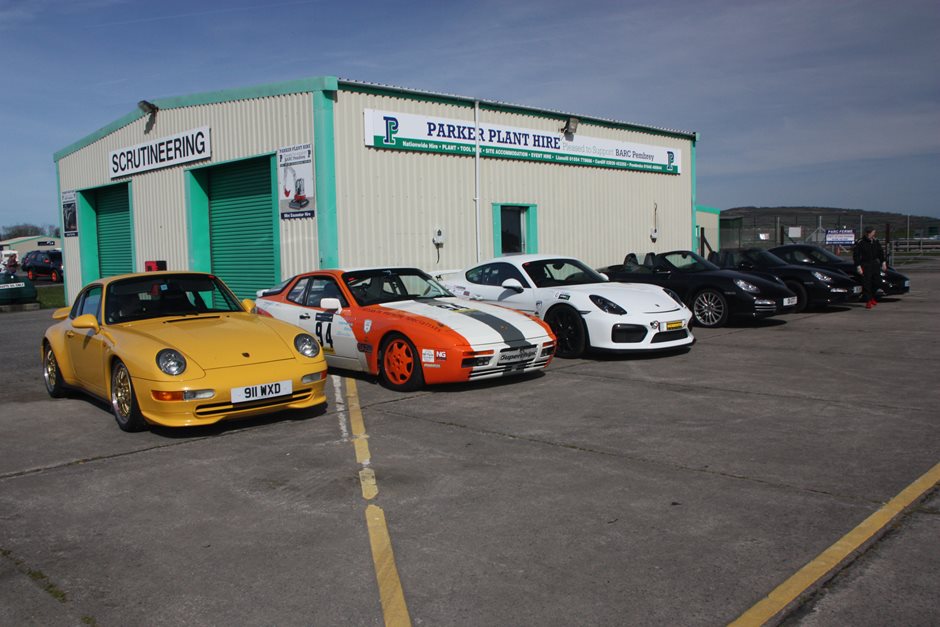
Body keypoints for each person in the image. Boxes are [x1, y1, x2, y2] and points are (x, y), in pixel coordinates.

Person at [853, 226, 886, 309]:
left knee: (877, 282)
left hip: (874, 264)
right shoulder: (860, 242)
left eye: (870, 232)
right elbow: (856, 255)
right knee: (866, 283)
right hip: (865, 264)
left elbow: (880, 252)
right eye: (867, 232)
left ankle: (871, 297)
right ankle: (868, 301)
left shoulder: (875, 241)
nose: (869, 234)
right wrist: (858, 266)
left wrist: (883, 262)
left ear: (874, 232)